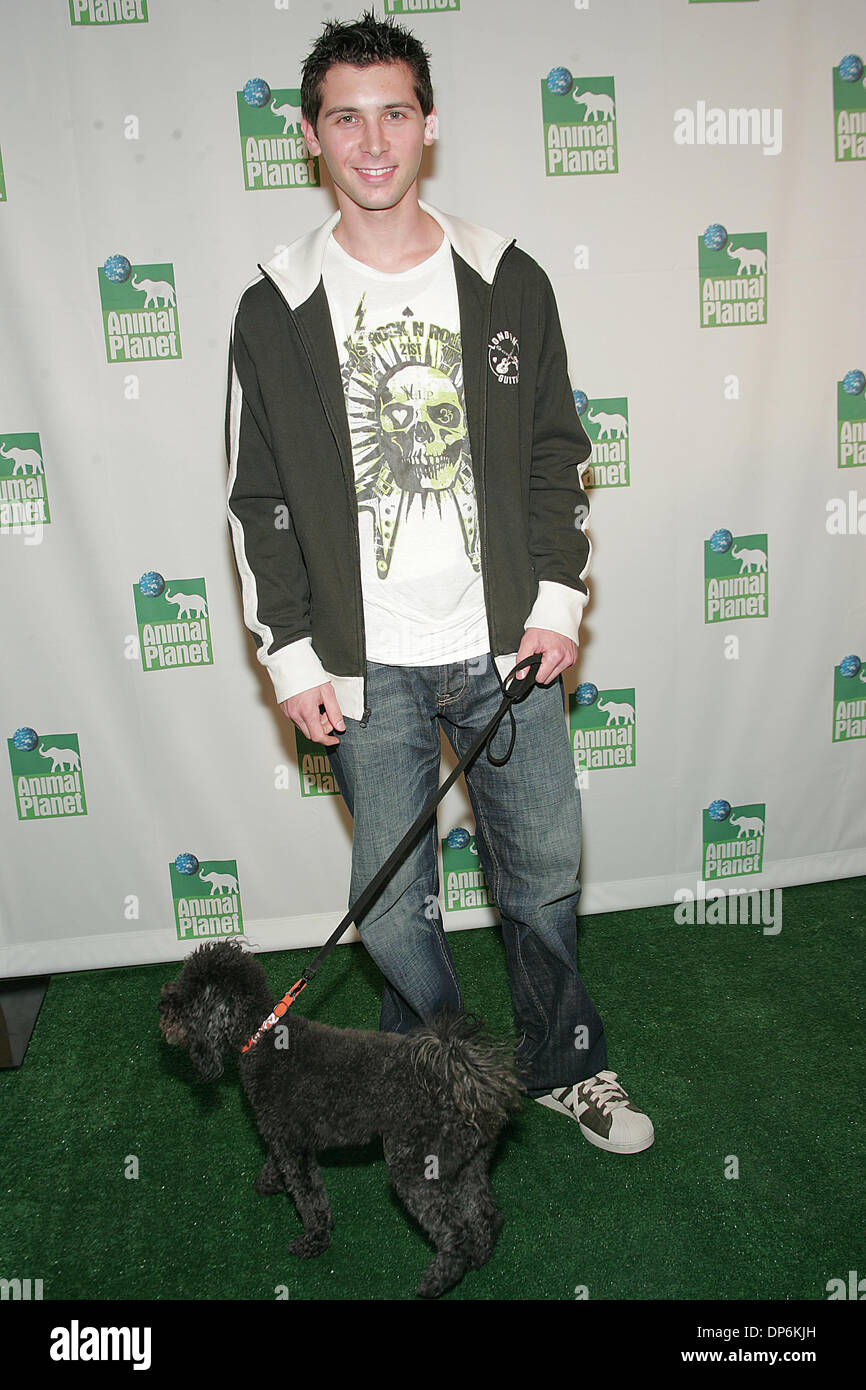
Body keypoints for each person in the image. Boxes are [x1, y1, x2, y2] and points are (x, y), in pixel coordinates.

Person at [225, 9, 653, 1154]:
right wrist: (290, 654)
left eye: (394, 114)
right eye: (345, 118)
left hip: (502, 646)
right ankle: (437, 1073)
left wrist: (556, 600)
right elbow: (258, 497)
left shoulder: (505, 278)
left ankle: (566, 1066)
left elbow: (556, 451)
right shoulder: (274, 306)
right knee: (392, 909)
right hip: (363, 666)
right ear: (309, 135)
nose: (372, 142)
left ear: (428, 125)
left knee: (543, 875)